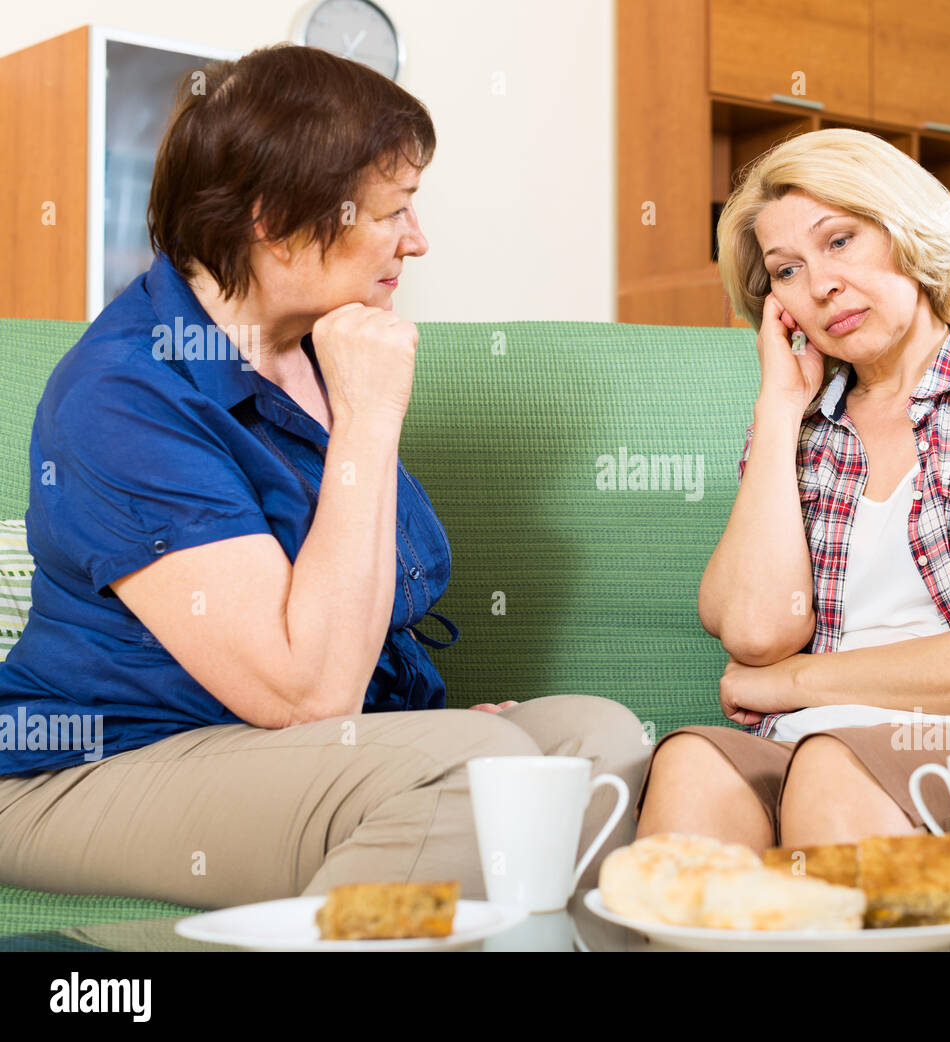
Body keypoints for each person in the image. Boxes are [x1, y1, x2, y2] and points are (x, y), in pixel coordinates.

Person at [0, 44, 646, 909]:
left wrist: (418, 730)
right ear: (273, 217)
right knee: (476, 769)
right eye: (393, 212)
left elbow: (347, 630)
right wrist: (371, 421)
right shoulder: (124, 394)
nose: (417, 241)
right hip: (94, 765)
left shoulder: (323, 347)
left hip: (288, 745)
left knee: (595, 741)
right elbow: (303, 693)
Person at [636, 128, 950, 870]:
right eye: (788, 271)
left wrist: (797, 683)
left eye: (841, 241)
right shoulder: (795, 431)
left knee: (834, 764)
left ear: (907, 230)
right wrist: (776, 411)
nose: (820, 285)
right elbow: (754, 634)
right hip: (808, 745)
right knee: (692, 762)